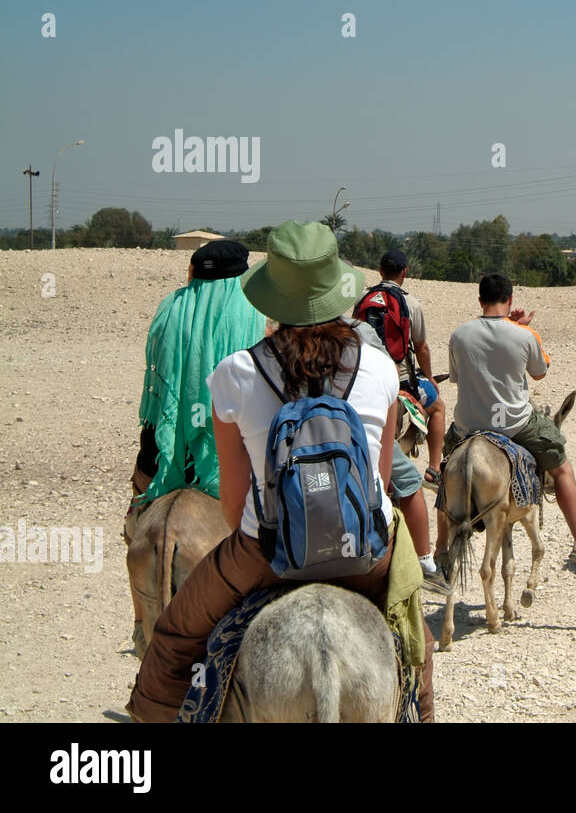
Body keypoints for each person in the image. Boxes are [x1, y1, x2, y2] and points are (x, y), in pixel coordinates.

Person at [127, 221, 435, 723]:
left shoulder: (236, 373)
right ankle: (422, 712)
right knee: (411, 635)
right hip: (365, 551)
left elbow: (232, 499)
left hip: (265, 552)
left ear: (272, 295)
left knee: (175, 637)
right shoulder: (379, 368)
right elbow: (379, 482)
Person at [127, 240, 266, 648]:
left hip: (166, 449)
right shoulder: (252, 312)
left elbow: (159, 384)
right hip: (227, 456)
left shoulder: (169, 309)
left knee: (136, 518)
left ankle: (140, 622)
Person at [433, 273, 576, 576]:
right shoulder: (523, 336)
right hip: (515, 423)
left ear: (480, 300)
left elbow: (456, 377)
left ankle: (440, 550)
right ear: (510, 300)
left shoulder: (459, 335)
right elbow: (540, 372)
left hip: (468, 425)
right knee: (562, 467)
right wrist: (523, 328)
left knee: (445, 473)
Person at [353, 249, 446, 590]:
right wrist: (430, 378)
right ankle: (435, 467)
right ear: (404, 272)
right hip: (400, 381)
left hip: (360, 377)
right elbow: (420, 346)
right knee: (438, 407)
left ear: (379, 269)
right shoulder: (409, 302)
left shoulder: (363, 299)